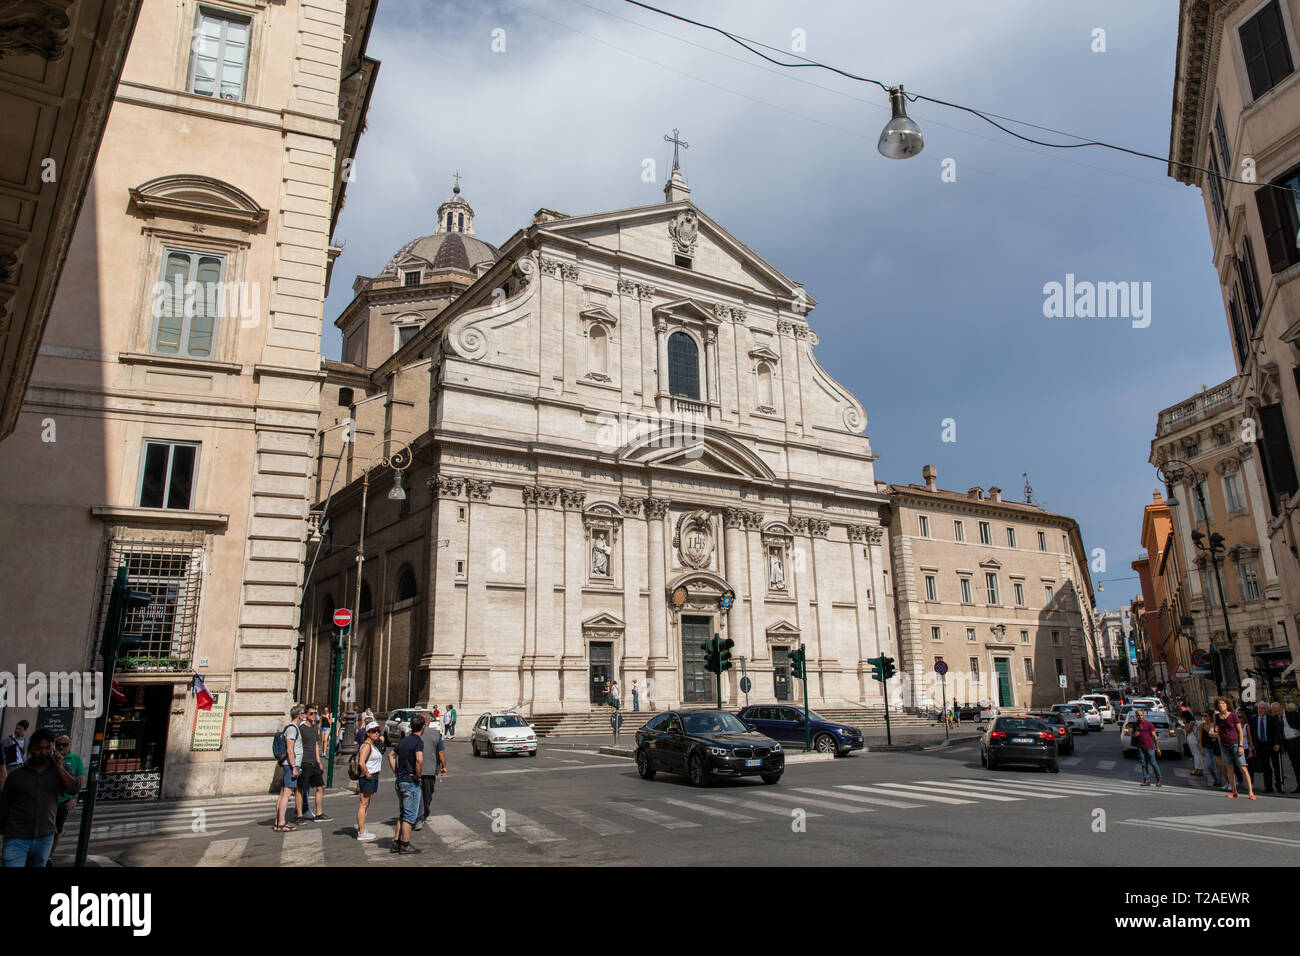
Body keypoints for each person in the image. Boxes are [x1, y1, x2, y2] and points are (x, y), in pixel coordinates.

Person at [0, 728, 78, 867]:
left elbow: (73, 788)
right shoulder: (17, 776)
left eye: (47, 748)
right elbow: (4, 805)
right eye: (38, 748)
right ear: (30, 749)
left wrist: (60, 767)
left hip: (44, 836)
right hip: (17, 837)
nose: (43, 753)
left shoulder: (59, 770)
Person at [387, 712, 425, 854]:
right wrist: (417, 775)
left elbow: (391, 755)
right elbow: (419, 759)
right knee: (409, 816)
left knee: (403, 813)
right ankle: (405, 844)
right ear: (423, 727)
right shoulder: (418, 742)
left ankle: (396, 841)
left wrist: (396, 772)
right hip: (410, 783)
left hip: (400, 781)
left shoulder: (404, 740)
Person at [49, 735, 85, 863]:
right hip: (49, 799)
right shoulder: (50, 757)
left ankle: (49, 855)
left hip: (64, 800)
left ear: (69, 745)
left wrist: (75, 798)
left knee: (57, 829)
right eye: (58, 744)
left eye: (64, 744)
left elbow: (81, 779)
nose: (61, 747)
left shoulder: (76, 759)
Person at [1214, 696, 1255, 800]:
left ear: (1227, 705)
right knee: (1229, 768)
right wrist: (1219, 740)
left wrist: (1241, 745)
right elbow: (1218, 730)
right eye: (1219, 704)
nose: (1221, 705)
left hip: (1235, 744)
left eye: (1223, 703)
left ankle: (1250, 792)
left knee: (1243, 767)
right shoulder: (1218, 717)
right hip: (1224, 745)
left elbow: (1240, 731)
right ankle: (1234, 791)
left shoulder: (1233, 716)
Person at [274, 704, 306, 831]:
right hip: (291, 765)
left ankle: (278, 822)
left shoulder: (292, 728)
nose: (304, 715)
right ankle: (281, 823)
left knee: (283, 793)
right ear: (299, 715)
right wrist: (294, 766)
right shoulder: (292, 729)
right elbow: (289, 749)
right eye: (303, 713)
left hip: (290, 764)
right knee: (286, 793)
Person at [415, 710, 448, 831]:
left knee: (418, 794)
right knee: (427, 794)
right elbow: (441, 752)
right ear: (428, 722)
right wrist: (444, 766)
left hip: (415, 770)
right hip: (429, 770)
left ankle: (420, 815)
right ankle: (421, 815)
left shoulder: (411, 734)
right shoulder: (436, 734)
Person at [296, 704, 329, 822]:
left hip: (314, 762)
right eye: (311, 713)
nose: (314, 715)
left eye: (315, 713)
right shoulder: (301, 728)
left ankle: (319, 813)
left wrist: (319, 761)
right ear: (305, 714)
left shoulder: (315, 728)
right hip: (304, 762)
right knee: (301, 789)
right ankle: (299, 815)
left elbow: (315, 745)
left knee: (321, 786)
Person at [355, 721, 382, 841]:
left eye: (377, 731)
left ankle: (362, 828)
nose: (376, 733)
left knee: (366, 804)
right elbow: (361, 762)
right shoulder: (366, 746)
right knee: (363, 804)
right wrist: (367, 774)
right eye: (373, 731)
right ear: (368, 733)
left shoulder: (373, 745)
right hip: (368, 777)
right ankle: (361, 831)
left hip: (372, 776)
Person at [1256, 702, 1285, 794]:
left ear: (1267, 710)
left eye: (1262, 708)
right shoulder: (1254, 719)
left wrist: (1277, 744)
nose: (1260, 710)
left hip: (1272, 745)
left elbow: (1277, 732)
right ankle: (1268, 786)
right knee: (1265, 767)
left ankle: (1279, 786)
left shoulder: (1272, 719)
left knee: (1277, 767)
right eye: (1259, 708)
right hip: (1261, 746)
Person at [1132, 710, 1163, 787]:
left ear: (1144, 716)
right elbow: (1132, 735)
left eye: (1141, 715)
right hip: (1140, 747)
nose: (1140, 717)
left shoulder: (1149, 724)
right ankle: (1146, 780)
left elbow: (1154, 737)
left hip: (1149, 747)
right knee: (1143, 764)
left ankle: (1159, 779)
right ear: (1136, 716)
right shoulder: (1135, 725)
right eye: (1138, 715)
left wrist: (1158, 748)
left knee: (1153, 763)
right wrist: (1135, 735)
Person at [1198, 710, 1225, 790]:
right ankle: (1215, 779)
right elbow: (1200, 737)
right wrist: (1202, 748)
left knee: (1217, 764)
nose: (1204, 718)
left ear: (1210, 717)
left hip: (1215, 747)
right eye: (1203, 716)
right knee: (1209, 765)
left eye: (1206, 716)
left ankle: (1219, 781)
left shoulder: (1213, 725)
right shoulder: (1201, 726)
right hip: (1206, 747)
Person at [1282, 703, 1300, 794]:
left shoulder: (1292, 715)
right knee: (1295, 765)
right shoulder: (1276, 718)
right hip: (1289, 743)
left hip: (1297, 742)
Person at [1183, 712, 1204, 777]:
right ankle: (1199, 769)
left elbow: (1188, 730)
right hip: (1191, 738)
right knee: (1195, 754)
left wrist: (1185, 724)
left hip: (1193, 739)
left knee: (1196, 754)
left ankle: (1198, 769)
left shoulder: (1191, 722)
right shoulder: (1191, 722)